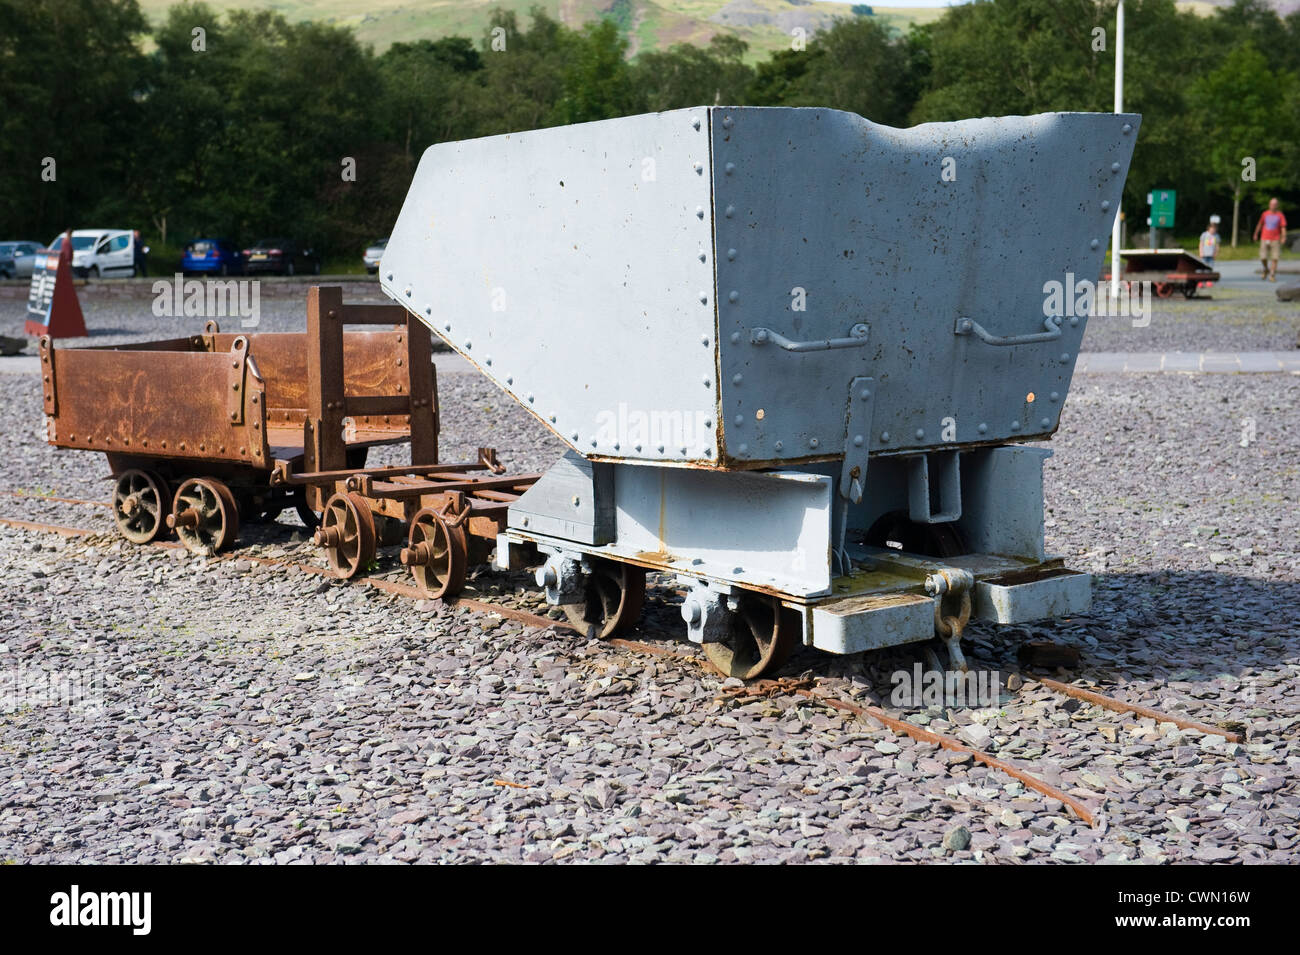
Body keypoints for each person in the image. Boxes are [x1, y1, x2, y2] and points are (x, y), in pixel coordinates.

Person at [1252, 198, 1287, 282]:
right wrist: (1256, 233)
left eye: (1275, 204)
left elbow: (1283, 227)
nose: (1273, 206)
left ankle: (1272, 274)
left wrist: (1284, 237)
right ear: (1269, 205)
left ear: (1277, 205)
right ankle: (1265, 269)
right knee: (1263, 257)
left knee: (1275, 258)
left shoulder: (1280, 215)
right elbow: (1260, 224)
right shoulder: (1265, 214)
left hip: (1275, 239)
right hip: (1264, 238)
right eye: (1271, 204)